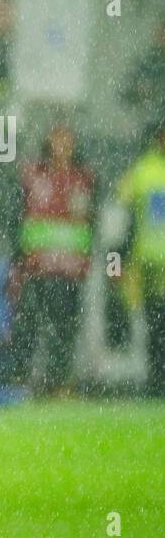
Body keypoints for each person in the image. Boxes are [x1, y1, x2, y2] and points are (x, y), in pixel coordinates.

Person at [8, 125, 95, 396]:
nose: (62, 145)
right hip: (36, 267)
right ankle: (21, 383)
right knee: (28, 326)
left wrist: (89, 260)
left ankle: (59, 385)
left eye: (67, 138)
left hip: (69, 270)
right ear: (48, 141)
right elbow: (14, 218)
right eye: (57, 138)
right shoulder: (31, 175)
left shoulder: (85, 179)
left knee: (64, 330)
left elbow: (93, 224)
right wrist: (17, 261)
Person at [115, 118, 165, 396]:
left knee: (155, 327)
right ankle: (157, 383)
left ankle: (156, 383)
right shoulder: (143, 172)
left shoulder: (143, 172)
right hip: (149, 266)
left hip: (149, 262)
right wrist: (117, 261)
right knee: (155, 326)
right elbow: (123, 220)